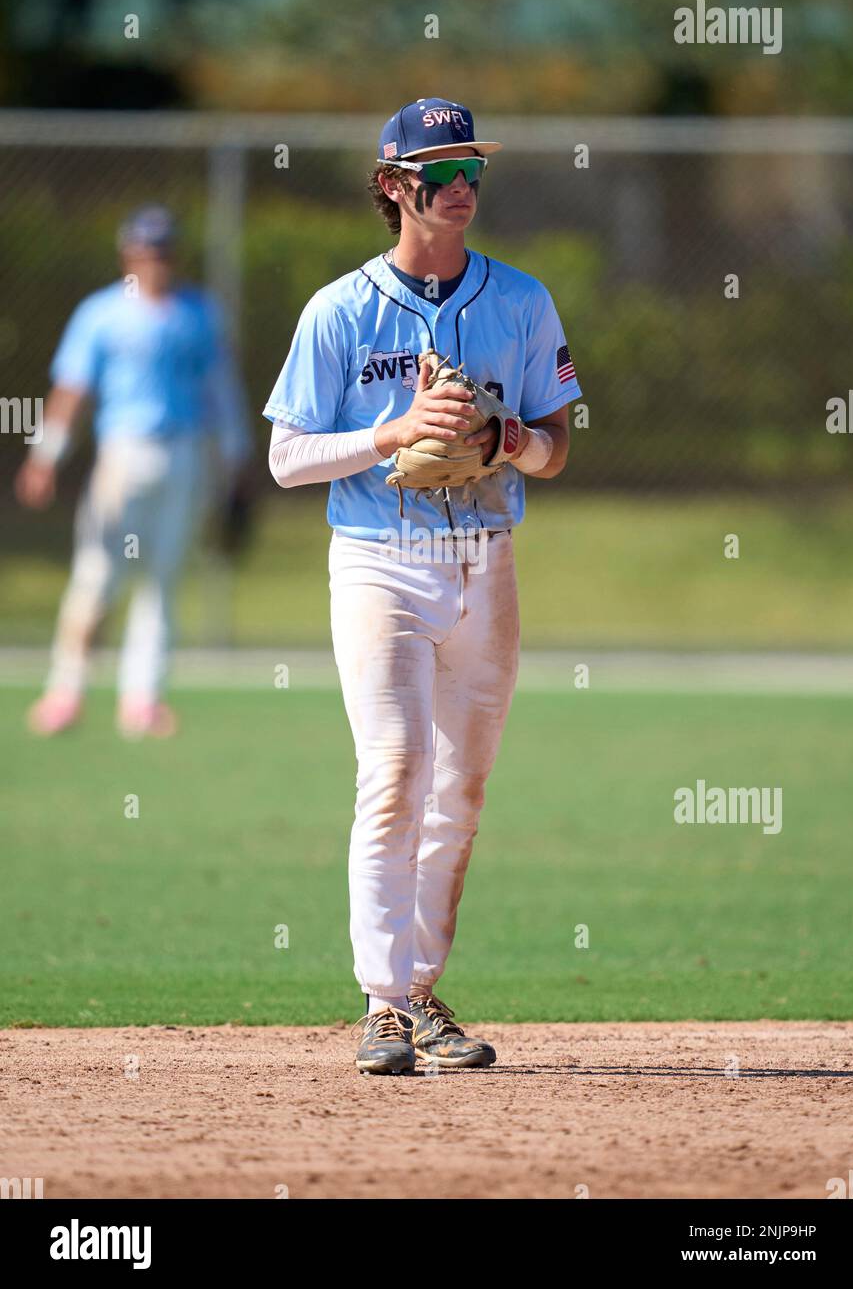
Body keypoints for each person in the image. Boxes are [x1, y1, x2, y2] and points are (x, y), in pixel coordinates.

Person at [264, 98, 582, 1074]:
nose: (461, 189)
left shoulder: (520, 300)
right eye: (440, 172)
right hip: (376, 561)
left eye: (472, 171)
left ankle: (420, 992)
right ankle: (381, 1005)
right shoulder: (339, 309)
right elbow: (284, 458)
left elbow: (554, 448)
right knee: (394, 771)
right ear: (393, 184)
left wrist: (503, 440)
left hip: (485, 560)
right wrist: (389, 434)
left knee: (460, 790)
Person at [15, 205, 252, 738]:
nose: (155, 262)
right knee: (98, 575)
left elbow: (222, 391)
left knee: (161, 580)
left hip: (185, 453)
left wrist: (237, 458)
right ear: (128, 254)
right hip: (123, 452)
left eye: (163, 251)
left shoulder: (199, 312)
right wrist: (45, 456)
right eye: (146, 251)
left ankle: (142, 700)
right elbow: (72, 390)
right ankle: (65, 690)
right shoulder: (101, 312)